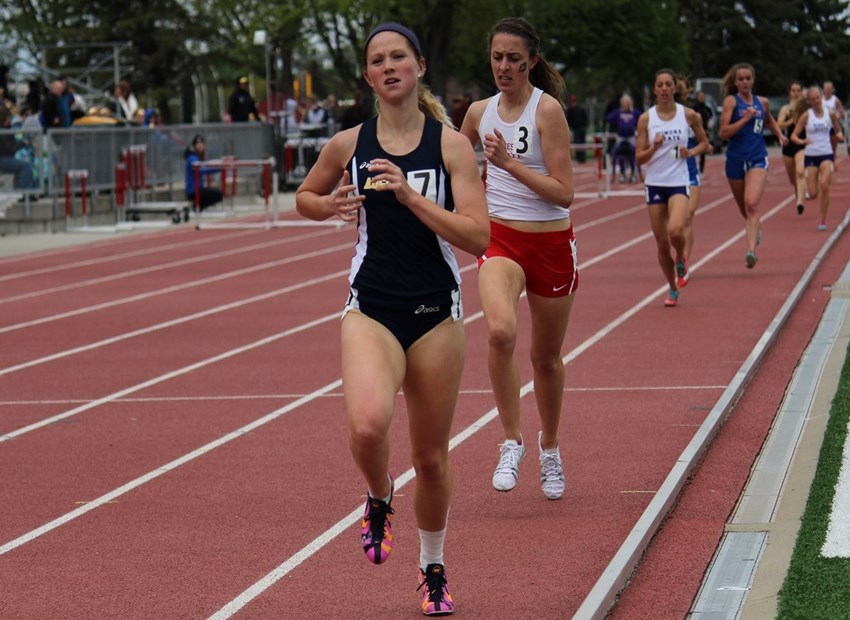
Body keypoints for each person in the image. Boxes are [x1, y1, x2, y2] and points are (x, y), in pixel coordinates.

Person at [294, 22, 489, 616]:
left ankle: (433, 568)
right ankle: (379, 495)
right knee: (370, 425)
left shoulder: (450, 145)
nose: (388, 66)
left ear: (419, 66)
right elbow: (304, 197)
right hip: (372, 306)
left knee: (430, 457)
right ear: (368, 76)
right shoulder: (348, 144)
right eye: (377, 60)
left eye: (398, 56)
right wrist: (325, 206)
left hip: (435, 311)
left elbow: (478, 236)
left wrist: (411, 197)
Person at [459, 16, 576, 502]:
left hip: (550, 243)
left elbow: (564, 193)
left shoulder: (547, 112)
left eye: (512, 58)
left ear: (530, 62)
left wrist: (508, 165)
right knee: (500, 331)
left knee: (545, 358)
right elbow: (450, 163)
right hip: (500, 239)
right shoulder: (477, 113)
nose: (503, 66)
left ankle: (550, 448)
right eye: (496, 57)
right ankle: (512, 440)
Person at [635, 70, 709, 307]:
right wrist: (654, 147)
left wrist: (691, 152)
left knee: (676, 229)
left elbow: (706, 144)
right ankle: (672, 286)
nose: (665, 88)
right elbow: (639, 158)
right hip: (655, 184)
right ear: (655, 90)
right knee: (661, 243)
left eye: (668, 84)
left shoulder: (688, 115)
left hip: (678, 181)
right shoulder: (646, 119)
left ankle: (681, 259)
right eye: (660, 85)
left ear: (674, 88)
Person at [719, 62, 786, 269]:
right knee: (744, 209)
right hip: (735, 160)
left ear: (753, 80)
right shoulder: (732, 102)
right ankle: (756, 227)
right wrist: (744, 119)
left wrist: (780, 135)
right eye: (741, 79)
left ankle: (750, 251)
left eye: (748, 78)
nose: (745, 82)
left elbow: (769, 120)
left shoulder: (762, 102)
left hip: (757, 157)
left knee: (751, 204)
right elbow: (723, 133)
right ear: (736, 82)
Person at [791, 85, 844, 231]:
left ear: (821, 98)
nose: (816, 101)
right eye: (813, 99)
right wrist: (802, 141)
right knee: (813, 193)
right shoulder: (806, 115)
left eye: (818, 98)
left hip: (826, 153)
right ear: (809, 101)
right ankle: (809, 185)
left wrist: (839, 135)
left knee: (824, 185)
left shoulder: (830, 113)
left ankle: (822, 220)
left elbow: (838, 130)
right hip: (811, 155)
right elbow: (794, 135)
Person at [676, 76, 713, 271]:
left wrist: (699, 148)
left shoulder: (692, 115)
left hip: (690, 171)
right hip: (668, 176)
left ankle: (684, 259)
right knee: (674, 224)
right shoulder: (659, 116)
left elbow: (703, 141)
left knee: (688, 216)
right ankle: (678, 251)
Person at [777, 81, 808, 215]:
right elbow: (779, 124)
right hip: (788, 146)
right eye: (793, 90)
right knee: (792, 178)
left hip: (802, 144)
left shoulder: (807, 108)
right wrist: (792, 120)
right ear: (790, 93)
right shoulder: (786, 109)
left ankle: (800, 201)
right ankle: (798, 191)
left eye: (798, 90)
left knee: (800, 172)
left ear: (801, 92)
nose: (795, 93)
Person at [605, 94, 641, 183]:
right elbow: (608, 118)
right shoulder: (618, 112)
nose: (625, 104)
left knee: (634, 155)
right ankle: (619, 174)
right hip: (621, 137)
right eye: (624, 103)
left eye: (627, 102)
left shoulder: (634, 112)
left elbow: (642, 118)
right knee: (616, 154)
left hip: (631, 137)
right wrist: (615, 122)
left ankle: (635, 174)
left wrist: (637, 126)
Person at [184, 135, 223, 211]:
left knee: (216, 194)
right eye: (198, 144)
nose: (201, 147)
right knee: (219, 195)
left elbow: (204, 167)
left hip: (197, 189)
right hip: (193, 191)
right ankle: (196, 207)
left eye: (202, 144)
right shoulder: (192, 158)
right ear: (195, 146)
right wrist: (219, 167)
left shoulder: (196, 157)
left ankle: (197, 207)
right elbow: (202, 170)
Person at [0, 106, 35, 190]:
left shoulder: (8, 130)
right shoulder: (2, 132)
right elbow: (9, 149)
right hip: (2, 159)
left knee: (26, 163)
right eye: (9, 117)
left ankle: (24, 191)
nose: (10, 119)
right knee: (25, 165)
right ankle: (24, 193)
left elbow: (12, 146)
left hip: (7, 157)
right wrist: (22, 144)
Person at [821, 81, 845, 159]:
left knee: (832, 147)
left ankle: (832, 161)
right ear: (823, 89)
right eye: (826, 89)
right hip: (822, 125)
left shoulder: (835, 100)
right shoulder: (820, 99)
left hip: (833, 126)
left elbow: (842, 114)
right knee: (823, 146)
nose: (827, 91)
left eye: (829, 89)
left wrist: (835, 118)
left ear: (832, 90)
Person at [691, 90, 713, 172]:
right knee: (694, 149)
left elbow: (711, 116)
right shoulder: (693, 108)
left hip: (705, 131)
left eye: (703, 97)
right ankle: (694, 167)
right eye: (700, 96)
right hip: (694, 132)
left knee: (703, 151)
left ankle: (701, 169)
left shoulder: (706, 108)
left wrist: (708, 127)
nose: (702, 98)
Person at [565, 94, 589, 163]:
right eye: (572, 101)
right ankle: (579, 158)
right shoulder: (569, 111)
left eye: (574, 101)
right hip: (575, 129)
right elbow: (568, 119)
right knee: (577, 142)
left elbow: (585, 117)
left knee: (582, 142)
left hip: (581, 128)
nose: (573, 103)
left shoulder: (581, 109)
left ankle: (583, 158)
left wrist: (585, 125)